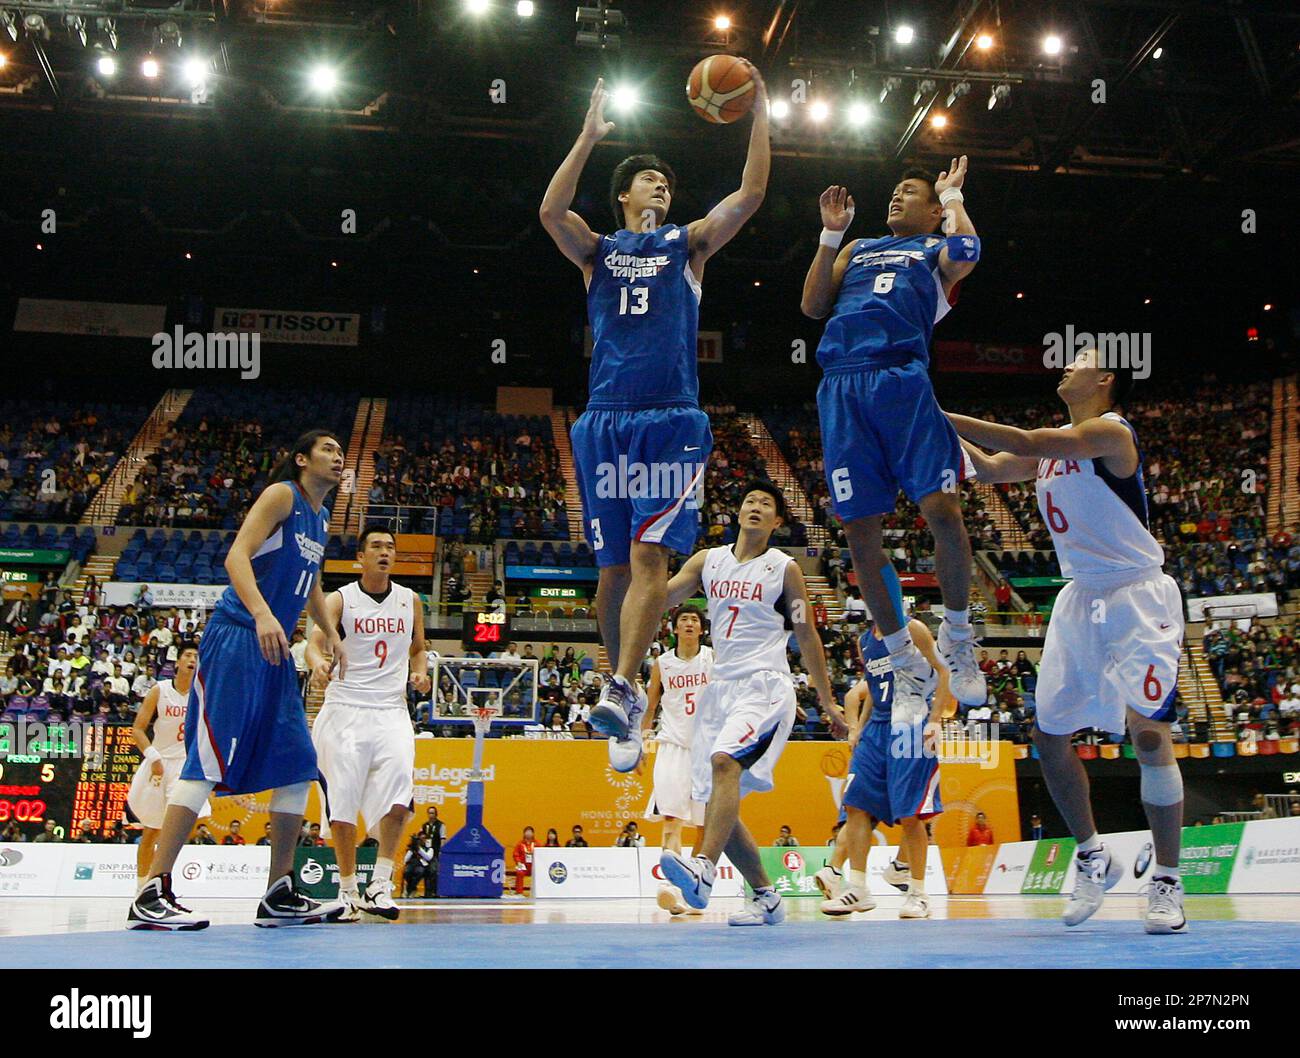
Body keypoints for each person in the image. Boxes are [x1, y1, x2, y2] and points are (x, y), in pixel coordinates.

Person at [540, 72, 770, 774]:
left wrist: (759, 113)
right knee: (611, 572)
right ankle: (628, 691)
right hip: (604, 418)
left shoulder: (688, 246)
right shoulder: (597, 249)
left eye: (664, 183)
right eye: (647, 181)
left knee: (646, 560)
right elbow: (551, 212)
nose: (659, 188)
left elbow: (751, 193)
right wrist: (586, 138)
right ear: (623, 197)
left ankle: (619, 687)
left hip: (668, 420)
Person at [949, 347, 1187, 935]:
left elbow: (1026, 444)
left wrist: (938, 410)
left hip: (1137, 595)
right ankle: (1090, 854)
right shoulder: (1057, 444)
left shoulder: (1109, 433)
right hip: (1080, 598)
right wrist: (927, 425)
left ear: (1104, 379)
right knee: (1048, 739)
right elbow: (992, 467)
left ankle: (1167, 881)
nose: (1065, 367)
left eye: (1078, 360)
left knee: (1150, 736)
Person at [126, 429, 349, 931]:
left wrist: (330, 631)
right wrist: (264, 613)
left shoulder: (321, 517)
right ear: (301, 458)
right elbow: (235, 558)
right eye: (328, 449)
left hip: (273, 649)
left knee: (296, 764)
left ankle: (279, 893)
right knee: (204, 764)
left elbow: (310, 581)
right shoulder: (282, 495)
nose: (338, 457)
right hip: (237, 638)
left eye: (340, 452)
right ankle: (152, 891)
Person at [800, 162, 986, 729]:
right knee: (859, 531)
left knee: (942, 509)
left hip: (901, 379)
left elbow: (970, 250)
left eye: (912, 192)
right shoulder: (857, 247)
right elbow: (811, 306)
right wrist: (831, 234)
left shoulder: (936, 252)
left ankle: (956, 633)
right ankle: (905, 659)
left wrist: (953, 196)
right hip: (841, 386)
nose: (897, 195)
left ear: (934, 213)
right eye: (896, 190)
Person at [658, 481, 848, 926]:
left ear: (777, 521)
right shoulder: (708, 560)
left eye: (766, 504)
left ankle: (702, 869)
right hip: (718, 690)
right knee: (715, 804)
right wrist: (626, 583)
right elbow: (662, 596)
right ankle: (766, 896)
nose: (756, 507)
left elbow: (807, 635)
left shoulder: (785, 569)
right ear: (738, 513)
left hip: (764, 686)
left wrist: (827, 701)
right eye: (750, 501)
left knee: (726, 762)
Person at [307, 525, 429, 922]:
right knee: (341, 804)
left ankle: (380, 884)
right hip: (345, 708)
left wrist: (420, 671)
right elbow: (313, 642)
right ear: (360, 556)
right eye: (376, 546)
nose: (385, 552)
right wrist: (318, 664)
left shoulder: (410, 600)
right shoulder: (341, 599)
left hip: (391, 710)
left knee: (399, 796)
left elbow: (418, 648)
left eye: (391, 547)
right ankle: (346, 891)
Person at [820, 616, 953, 919]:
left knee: (911, 814)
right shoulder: (864, 640)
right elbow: (869, 692)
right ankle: (857, 889)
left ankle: (918, 893)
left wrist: (935, 720)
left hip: (911, 721)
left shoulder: (913, 628)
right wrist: (860, 729)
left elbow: (945, 671)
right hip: (877, 726)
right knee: (855, 805)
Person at [641, 605, 712, 915]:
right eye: (683, 619)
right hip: (671, 745)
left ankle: (693, 887)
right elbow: (651, 703)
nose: (688, 623)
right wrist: (642, 740)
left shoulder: (713, 657)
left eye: (694, 619)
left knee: (705, 827)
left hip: (707, 748)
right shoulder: (662, 663)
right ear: (674, 628)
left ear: (701, 629)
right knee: (672, 819)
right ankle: (669, 887)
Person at [126, 643, 211, 886]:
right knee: (151, 831)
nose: (192, 659)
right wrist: (153, 757)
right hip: (159, 762)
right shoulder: (159, 690)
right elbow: (137, 730)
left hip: (185, 766)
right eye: (188, 655)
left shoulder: (202, 693)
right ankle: (142, 889)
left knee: (179, 828)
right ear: (177, 662)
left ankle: (160, 884)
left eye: (196, 656)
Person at [513, 826, 536, 895]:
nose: (528, 833)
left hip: (534, 866)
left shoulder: (537, 844)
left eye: (530, 832)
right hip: (523, 865)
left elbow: (541, 854)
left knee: (540, 873)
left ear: (533, 833)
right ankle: (519, 892)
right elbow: (515, 854)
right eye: (527, 832)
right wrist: (518, 862)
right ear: (524, 833)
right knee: (519, 872)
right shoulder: (520, 844)